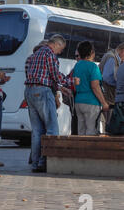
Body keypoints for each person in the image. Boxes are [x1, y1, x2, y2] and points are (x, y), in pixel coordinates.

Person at [24, 34, 72, 173]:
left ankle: (35, 163)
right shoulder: (49, 54)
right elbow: (55, 75)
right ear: (56, 44)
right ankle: (46, 162)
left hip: (29, 91)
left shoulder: (35, 55)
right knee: (52, 129)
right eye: (61, 49)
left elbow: (42, 76)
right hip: (43, 92)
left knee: (37, 131)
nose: (60, 52)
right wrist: (70, 81)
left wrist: (59, 87)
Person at [73, 41, 109, 135]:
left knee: (81, 130)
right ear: (91, 52)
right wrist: (104, 103)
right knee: (91, 130)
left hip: (78, 101)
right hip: (91, 102)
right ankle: (88, 150)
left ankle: (80, 149)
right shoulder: (93, 67)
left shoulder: (77, 65)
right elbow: (95, 86)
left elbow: (75, 84)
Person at [99, 43, 124, 127]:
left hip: (106, 97)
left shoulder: (111, 56)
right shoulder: (112, 58)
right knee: (108, 126)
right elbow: (107, 78)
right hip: (107, 99)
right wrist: (119, 84)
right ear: (123, 51)